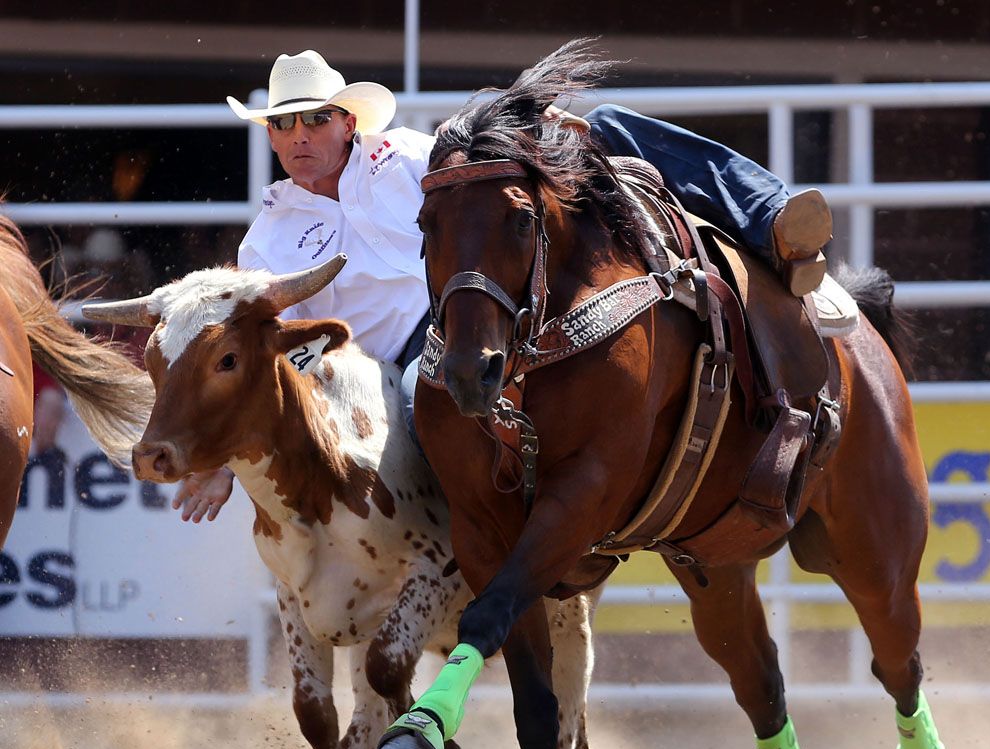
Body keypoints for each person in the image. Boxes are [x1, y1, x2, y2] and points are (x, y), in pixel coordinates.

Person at [174, 49, 833, 522]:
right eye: (284, 123)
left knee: (604, 123)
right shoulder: (266, 241)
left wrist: (541, 132)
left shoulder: (409, 156)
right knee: (425, 403)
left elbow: (485, 186)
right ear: (270, 137)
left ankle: (770, 216)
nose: (299, 135)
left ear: (349, 122)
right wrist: (221, 460)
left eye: (316, 118)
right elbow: (257, 357)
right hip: (377, 378)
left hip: (469, 322)